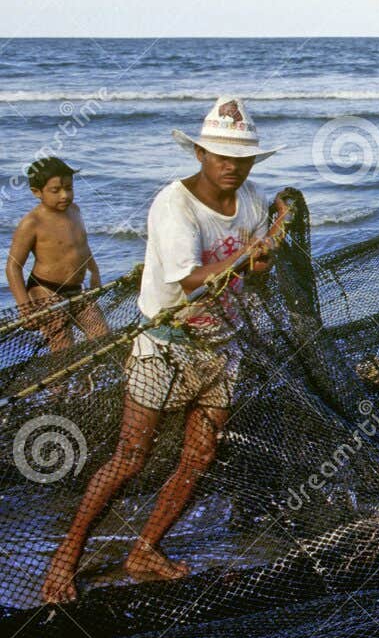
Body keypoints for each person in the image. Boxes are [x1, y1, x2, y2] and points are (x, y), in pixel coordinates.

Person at [42, 100, 288, 604]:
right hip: (165, 346)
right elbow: (192, 282)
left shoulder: (253, 199)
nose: (231, 165)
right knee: (131, 457)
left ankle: (145, 549)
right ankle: (63, 561)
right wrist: (249, 254)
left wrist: (268, 248)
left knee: (200, 455)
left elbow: (255, 274)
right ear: (199, 152)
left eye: (241, 157)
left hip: (222, 347)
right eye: (220, 153)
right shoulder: (174, 205)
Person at [6, 157, 109, 353]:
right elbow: (13, 267)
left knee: (102, 336)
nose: (64, 195)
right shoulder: (32, 222)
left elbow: (82, 246)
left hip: (77, 288)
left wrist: (94, 272)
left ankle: (88, 382)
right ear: (37, 192)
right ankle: (61, 385)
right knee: (63, 348)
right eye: (55, 190)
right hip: (45, 290)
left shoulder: (75, 211)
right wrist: (24, 307)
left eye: (69, 188)